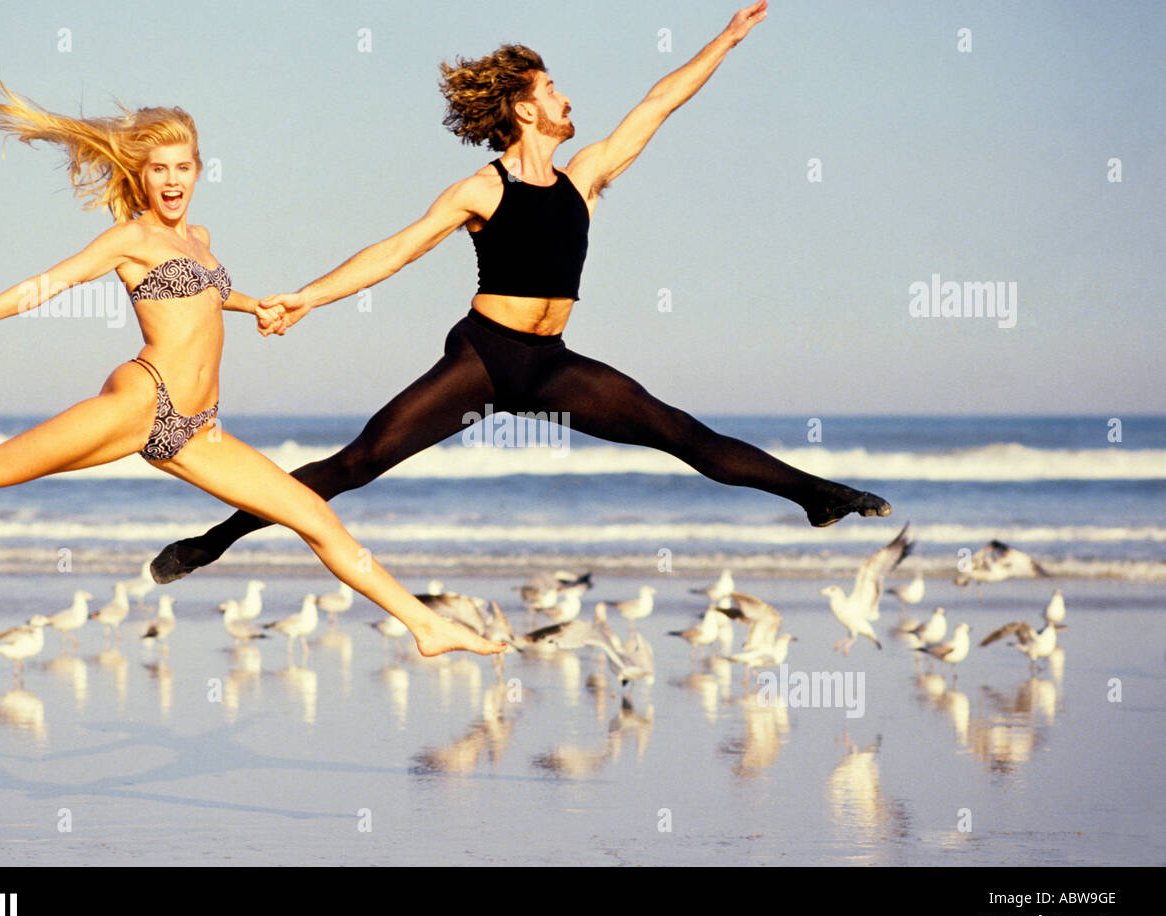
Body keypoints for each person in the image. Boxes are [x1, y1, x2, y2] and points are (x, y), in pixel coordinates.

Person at [152, 1, 891, 586]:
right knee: (356, 464)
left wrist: (724, 41)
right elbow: (396, 250)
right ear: (526, 108)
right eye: (553, 90)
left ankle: (817, 496)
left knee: (679, 431)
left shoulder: (585, 177)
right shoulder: (484, 187)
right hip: (484, 356)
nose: (569, 100)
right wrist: (307, 298)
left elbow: (657, 104)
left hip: (550, 364)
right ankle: (215, 539)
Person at [0, 73, 505, 658]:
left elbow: (206, 294)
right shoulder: (131, 239)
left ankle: (424, 625)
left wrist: (259, 304)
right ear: (140, 176)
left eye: (182, 167)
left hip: (197, 427)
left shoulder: (197, 240)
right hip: (143, 400)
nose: (171, 180)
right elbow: (43, 285)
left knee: (315, 515)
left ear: (199, 169)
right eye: (158, 169)